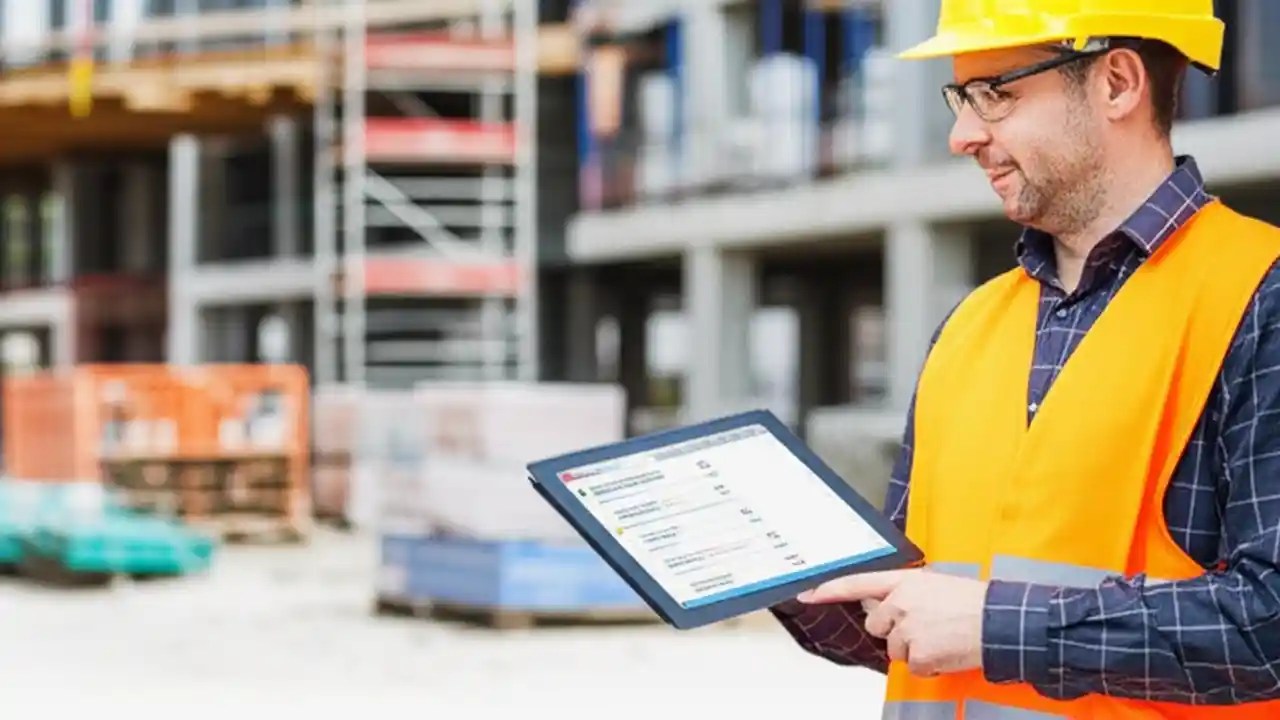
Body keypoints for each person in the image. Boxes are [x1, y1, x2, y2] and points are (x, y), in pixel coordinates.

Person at [771, 2, 1280, 717]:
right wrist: (776, 567)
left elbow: (1269, 621)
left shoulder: (1261, 297)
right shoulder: (970, 327)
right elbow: (915, 617)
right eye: (961, 98)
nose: (961, 135)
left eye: (996, 94)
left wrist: (994, 627)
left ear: (1117, 84)